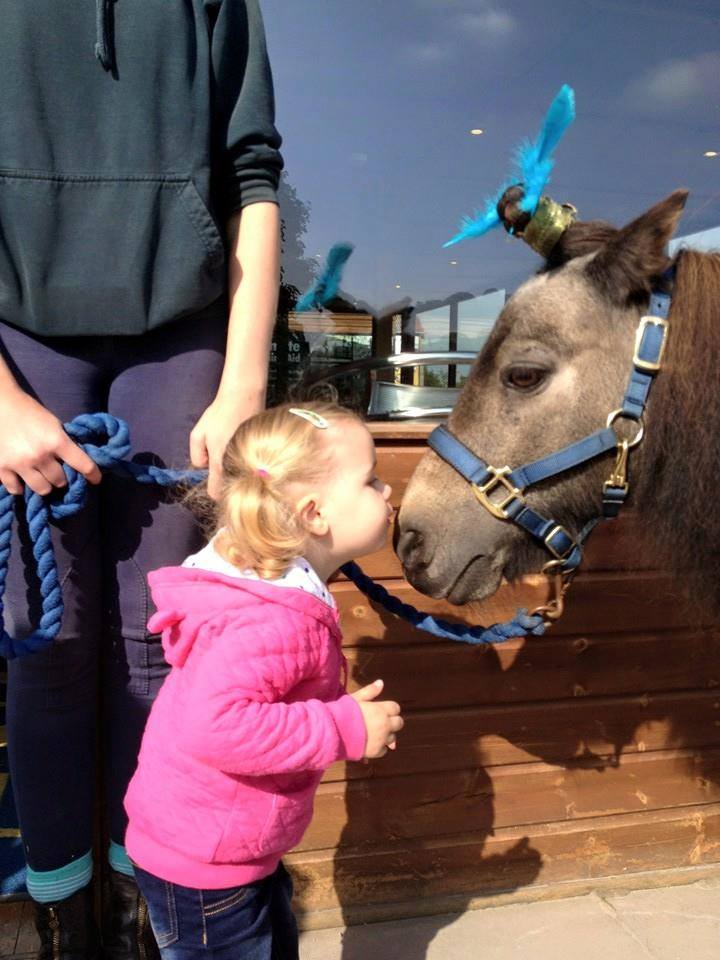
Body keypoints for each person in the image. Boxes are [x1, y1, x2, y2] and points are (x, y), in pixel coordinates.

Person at [0, 2, 283, 958]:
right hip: (20, 331)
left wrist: (245, 379)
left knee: (156, 639)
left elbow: (253, 175)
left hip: (179, 330)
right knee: (50, 642)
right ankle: (60, 919)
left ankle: (137, 905)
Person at [124, 402, 404, 960]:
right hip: (210, 873)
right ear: (314, 514)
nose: (388, 492)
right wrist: (343, 725)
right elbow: (218, 725)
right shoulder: (271, 618)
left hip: (223, 849)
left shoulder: (265, 593)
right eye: (371, 480)